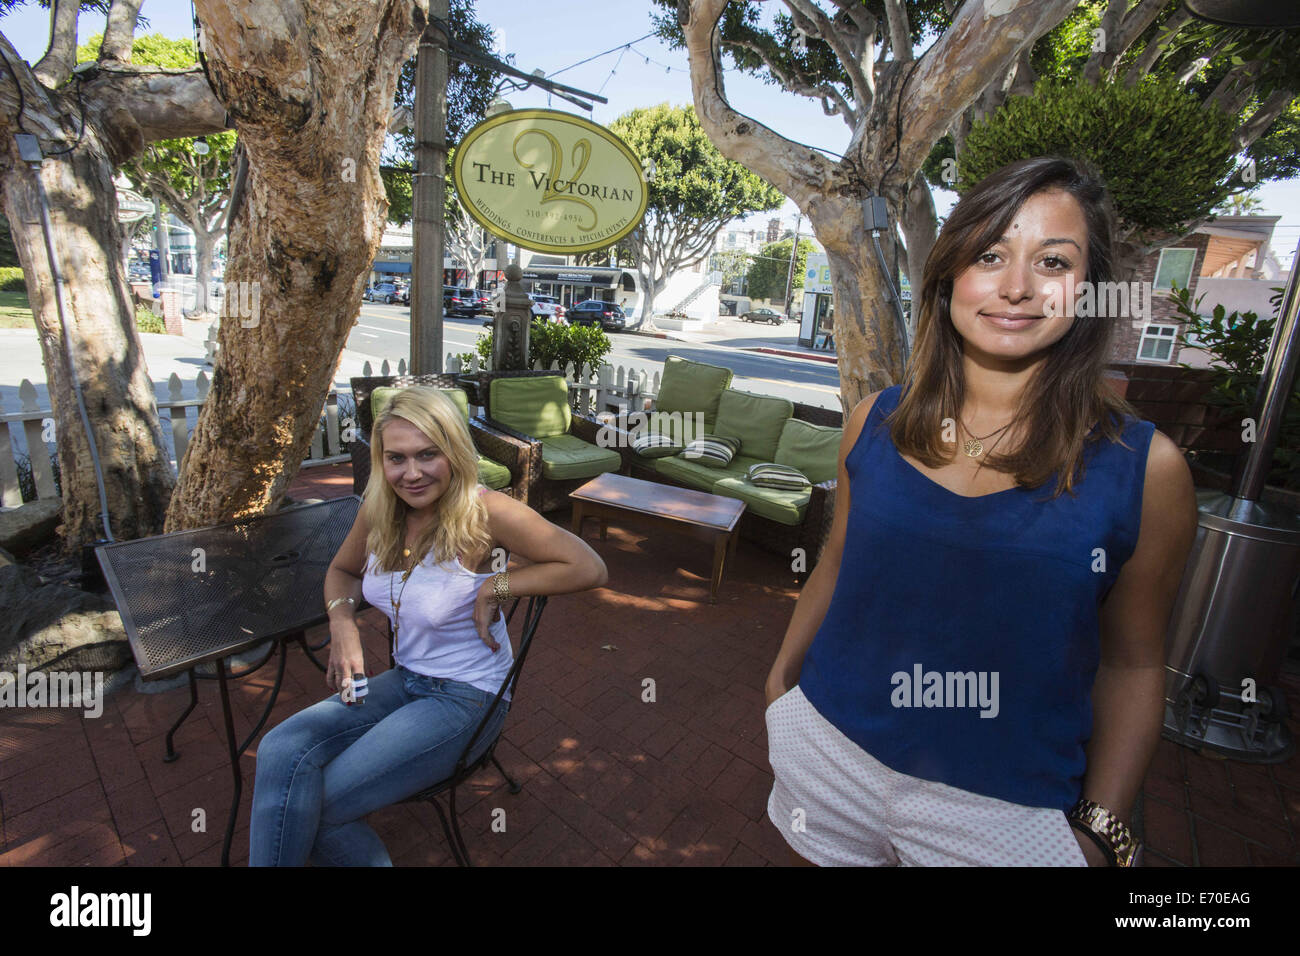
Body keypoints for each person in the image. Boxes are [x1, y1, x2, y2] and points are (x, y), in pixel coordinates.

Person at [764, 156, 1197, 867]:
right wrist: (781, 689)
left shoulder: (1147, 470)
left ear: (1089, 290)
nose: (1017, 286)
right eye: (991, 254)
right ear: (950, 276)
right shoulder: (875, 419)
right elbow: (836, 562)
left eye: (1053, 261)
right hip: (827, 756)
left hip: (1007, 813)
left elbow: (1135, 664)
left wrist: (1103, 833)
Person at [250, 386, 608, 866]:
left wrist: (496, 586)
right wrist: (343, 621)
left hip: (467, 697)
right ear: (381, 462)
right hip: (408, 679)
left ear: (455, 453)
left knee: (321, 807)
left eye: (427, 455)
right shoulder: (379, 509)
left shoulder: (484, 511)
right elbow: (341, 572)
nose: (411, 473)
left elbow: (589, 567)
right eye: (396, 458)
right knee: (280, 747)